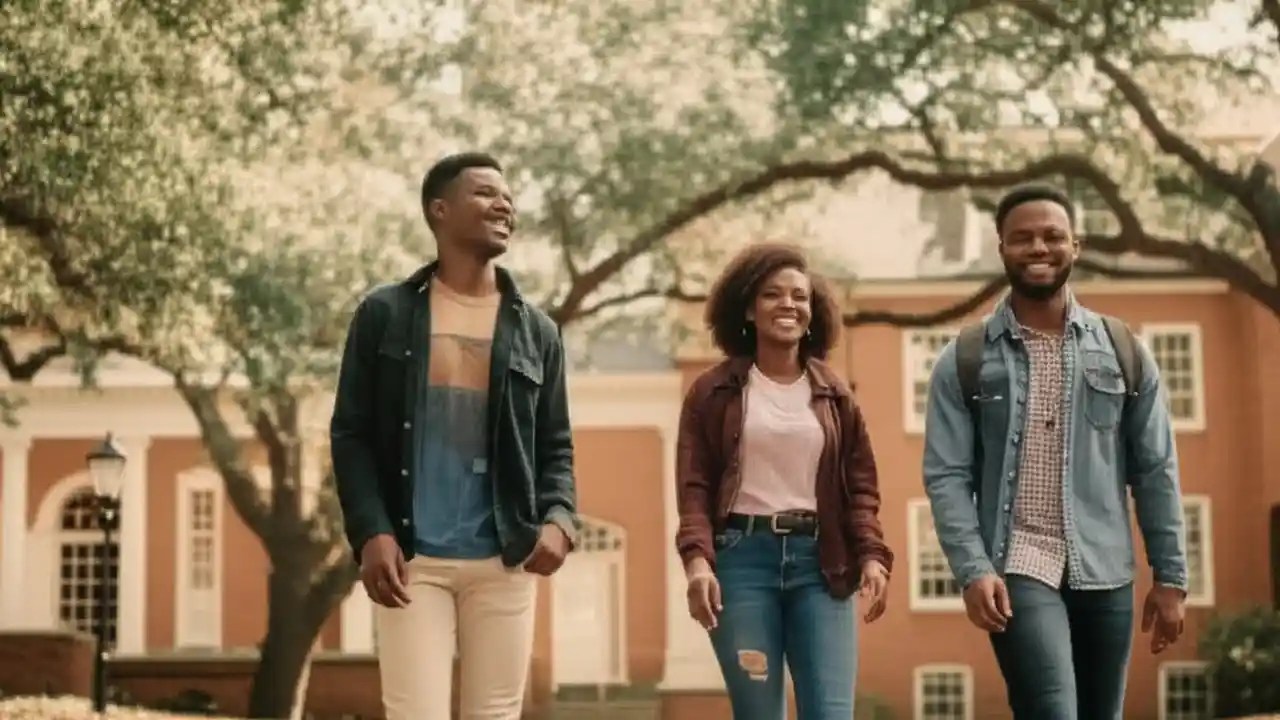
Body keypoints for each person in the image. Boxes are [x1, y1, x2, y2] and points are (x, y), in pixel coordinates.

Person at [921, 183, 1188, 719]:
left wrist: (1171, 577)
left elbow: (1156, 468)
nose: (1038, 248)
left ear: (1075, 245)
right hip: (1018, 561)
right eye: (1023, 238)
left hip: (1104, 566)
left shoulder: (1123, 351)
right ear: (1001, 248)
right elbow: (947, 475)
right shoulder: (965, 358)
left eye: (1052, 236)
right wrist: (973, 569)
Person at [330, 152, 579, 720]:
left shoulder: (537, 331)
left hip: (504, 560)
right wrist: (371, 531)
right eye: (486, 193)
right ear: (439, 211)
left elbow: (556, 444)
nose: (504, 204)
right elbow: (351, 433)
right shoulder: (385, 314)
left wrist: (560, 518)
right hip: (412, 559)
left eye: (508, 197)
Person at [674, 242, 893, 720]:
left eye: (800, 296)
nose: (788, 304)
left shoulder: (836, 395)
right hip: (741, 564)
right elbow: (694, 488)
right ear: (749, 308)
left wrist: (873, 555)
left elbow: (860, 489)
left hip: (823, 566)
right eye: (772, 294)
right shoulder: (712, 393)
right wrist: (697, 563)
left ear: (813, 313)